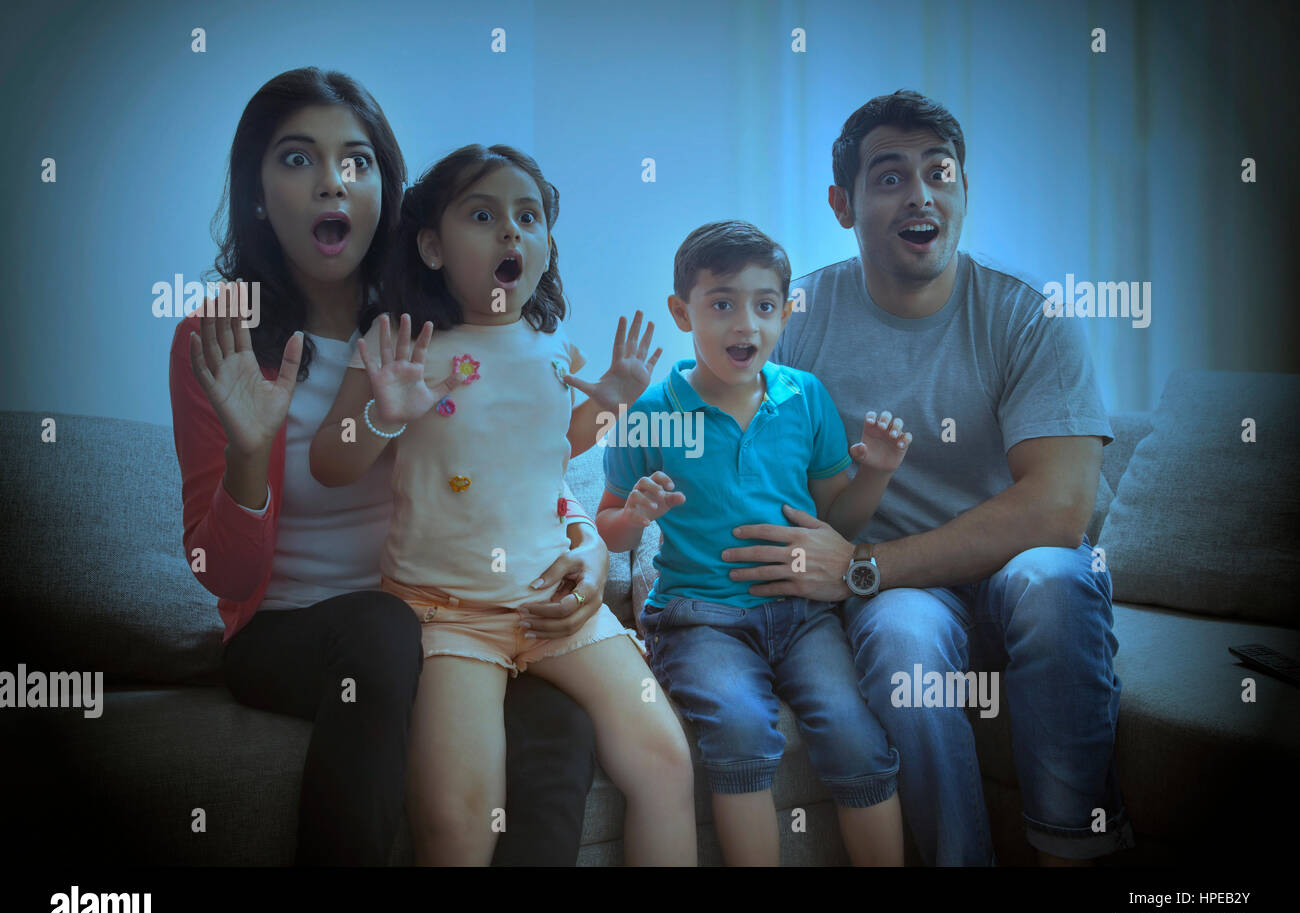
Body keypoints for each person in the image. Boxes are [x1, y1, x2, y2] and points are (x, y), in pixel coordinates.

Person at [170, 68, 608, 866]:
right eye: (299, 159)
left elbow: (517, 476)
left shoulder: (429, 328)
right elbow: (224, 575)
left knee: (562, 716)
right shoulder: (220, 336)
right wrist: (246, 453)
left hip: (444, 617)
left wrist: (589, 543)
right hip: (293, 631)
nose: (334, 181)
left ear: (386, 193)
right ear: (259, 194)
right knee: (382, 627)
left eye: (358, 162)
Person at [726, 90, 1134, 865]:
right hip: (901, 597)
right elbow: (726, 456)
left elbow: (1059, 510)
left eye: (940, 173)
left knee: (1055, 580)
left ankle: (1074, 850)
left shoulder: (1026, 315)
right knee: (904, 638)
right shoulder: (797, 317)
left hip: (995, 567)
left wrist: (865, 568)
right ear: (842, 204)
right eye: (890, 177)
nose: (921, 194)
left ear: (964, 191)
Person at [309, 143, 697, 866]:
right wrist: (387, 415)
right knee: (458, 825)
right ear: (430, 245)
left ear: (547, 247)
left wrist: (609, 401)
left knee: (666, 760)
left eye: (529, 217)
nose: (511, 232)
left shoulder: (555, 349)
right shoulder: (397, 343)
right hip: (445, 615)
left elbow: (555, 448)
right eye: (483, 215)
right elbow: (331, 462)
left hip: (555, 605)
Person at [598, 220, 911, 865]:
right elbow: (606, 527)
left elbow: (839, 526)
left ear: (786, 313)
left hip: (803, 616)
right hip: (700, 621)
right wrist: (635, 515)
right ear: (682, 313)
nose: (746, 324)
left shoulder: (805, 398)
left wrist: (875, 472)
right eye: (722, 304)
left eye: (764, 305)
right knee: (740, 733)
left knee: (855, 734)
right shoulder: (655, 412)